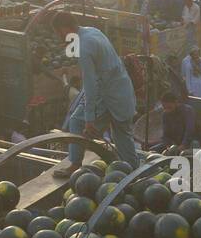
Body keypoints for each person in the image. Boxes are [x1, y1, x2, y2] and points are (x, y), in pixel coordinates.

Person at [49, 12, 138, 176]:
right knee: (122, 136)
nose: (60, 37)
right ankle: (134, 172)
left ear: (64, 28)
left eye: (59, 33)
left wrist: (89, 119)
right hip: (122, 92)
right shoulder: (93, 31)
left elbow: (90, 85)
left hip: (108, 95)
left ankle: (74, 165)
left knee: (77, 122)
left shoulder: (84, 47)